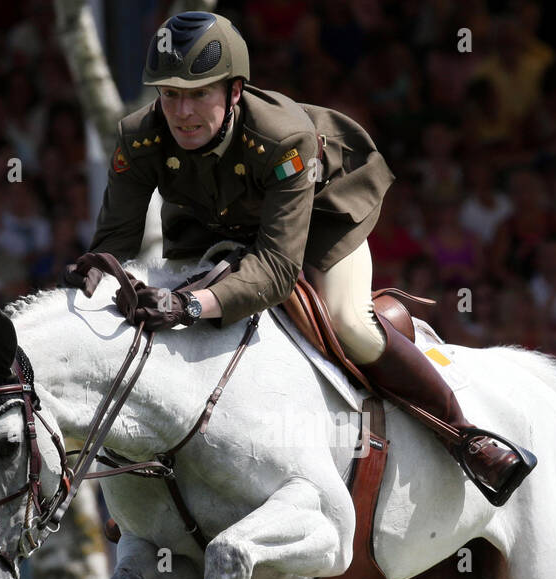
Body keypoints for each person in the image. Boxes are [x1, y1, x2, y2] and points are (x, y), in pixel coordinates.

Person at [64, 12, 532, 505]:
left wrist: (192, 305)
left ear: (235, 91)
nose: (182, 112)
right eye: (170, 93)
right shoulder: (139, 137)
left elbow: (277, 268)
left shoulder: (283, 139)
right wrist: (94, 269)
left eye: (199, 93)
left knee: (349, 322)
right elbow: (115, 240)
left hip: (320, 212)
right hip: (214, 220)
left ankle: (464, 436)